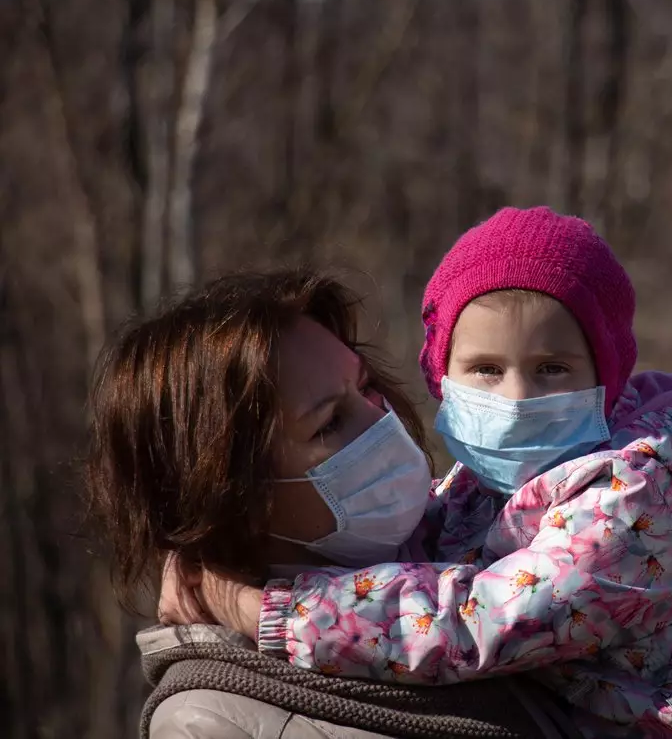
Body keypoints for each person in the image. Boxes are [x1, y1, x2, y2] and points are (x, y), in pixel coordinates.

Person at [170, 209, 672, 738]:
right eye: (484, 369)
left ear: (605, 375)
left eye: (551, 370)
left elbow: (476, 620)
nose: (515, 398)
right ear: (439, 374)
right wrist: (221, 554)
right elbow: (419, 568)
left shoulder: (635, 501)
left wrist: (269, 609)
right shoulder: (478, 488)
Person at [85, 268, 573, 739]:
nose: (382, 422)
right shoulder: (209, 722)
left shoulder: (473, 537)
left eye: (365, 388)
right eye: (328, 423)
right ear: (233, 498)